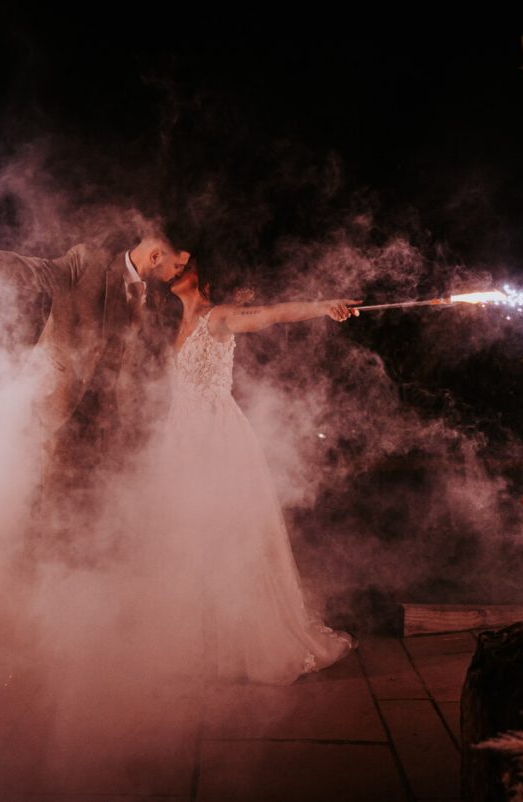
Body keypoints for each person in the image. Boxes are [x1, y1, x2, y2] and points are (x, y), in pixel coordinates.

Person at [0, 221, 191, 559]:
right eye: (177, 265)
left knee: (76, 508)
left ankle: (62, 577)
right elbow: (28, 271)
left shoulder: (153, 298)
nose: (177, 273)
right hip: (57, 400)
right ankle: (14, 572)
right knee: (33, 495)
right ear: (157, 255)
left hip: (103, 419)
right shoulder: (88, 262)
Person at [148, 257, 360, 684]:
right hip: (182, 437)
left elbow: (273, 314)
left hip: (216, 437)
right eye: (171, 264)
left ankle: (246, 641)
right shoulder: (176, 323)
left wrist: (323, 306)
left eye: (184, 264)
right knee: (188, 536)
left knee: (227, 535)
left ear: (202, 275)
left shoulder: (219, 317)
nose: (172, 269)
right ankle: (201, 645)